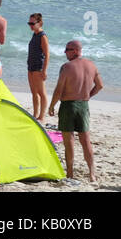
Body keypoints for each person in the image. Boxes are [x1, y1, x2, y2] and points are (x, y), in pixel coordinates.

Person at [49, 40, 102, 182]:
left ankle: (70, 173)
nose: (65, 52)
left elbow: (59, 89)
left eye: (68, 49)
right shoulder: (91, 65)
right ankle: (92, 174)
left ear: (76, 51)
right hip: (83, 106)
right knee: (86, 141)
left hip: (68, 105)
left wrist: (52, 105)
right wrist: (87, 96)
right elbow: (99, 86)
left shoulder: (67, 67)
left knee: (69, 141)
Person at [27, 14, 51, 121]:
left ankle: (41, 116)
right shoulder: (34, 35)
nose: (31, 26)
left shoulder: (42, 36)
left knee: (41, 93)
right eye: (29, 23)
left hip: (38, 68)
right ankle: (35, 114)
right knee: (34, 93)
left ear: (40, 23)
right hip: (31, 67)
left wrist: (44, 71)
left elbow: (47, 55)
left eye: (32, 23)